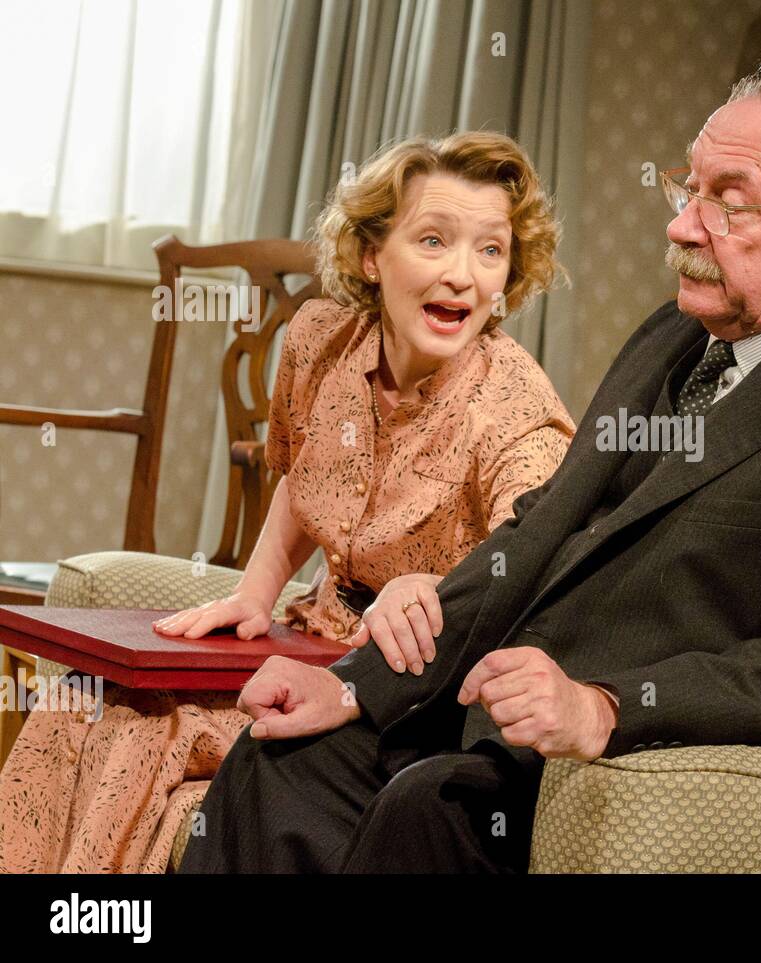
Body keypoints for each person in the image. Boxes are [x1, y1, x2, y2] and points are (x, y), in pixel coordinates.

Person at [180, 59, 761, 875]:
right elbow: (540, 527)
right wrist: (358, 684)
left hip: (673, 761)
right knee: (281, 761)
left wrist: (605, 704)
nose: (681, 228)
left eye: (727, 203)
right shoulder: (674, 337)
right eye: (688, 190)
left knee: (431, 807)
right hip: (515, 732)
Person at [0, 131, 575, 873]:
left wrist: (434, 588)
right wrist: (255, 590)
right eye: (433, 240)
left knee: (142, 727)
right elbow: (302, 481)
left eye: (490, 251)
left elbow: (531, 557)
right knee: (79, 701)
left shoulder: (517, 404)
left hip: (404, 695)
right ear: (373, 255)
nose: (462, 276)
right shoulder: (320, 339)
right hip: (306, 635)